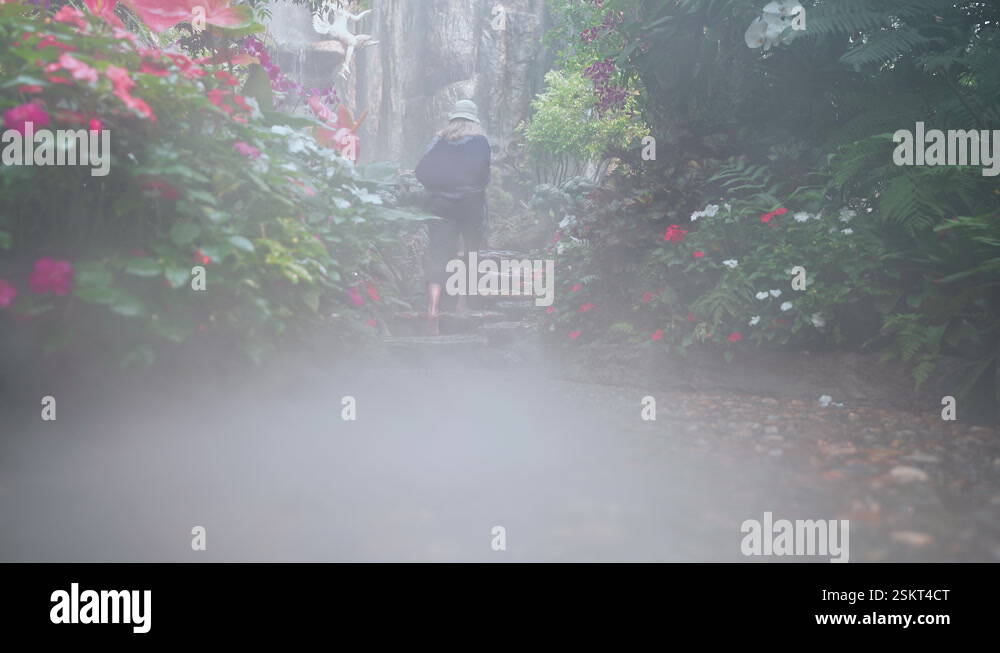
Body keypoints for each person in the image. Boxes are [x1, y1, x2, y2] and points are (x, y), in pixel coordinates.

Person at [414, 99, 491, 335]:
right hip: (470, 205)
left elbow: (421, 171)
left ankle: (433, 309)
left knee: (438, 255)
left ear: (453, 119)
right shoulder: (480, 142)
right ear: (473, 120)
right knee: (470, 252)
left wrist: (437, 191)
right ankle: (461, 304)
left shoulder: (438, 141)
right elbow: (484, 176)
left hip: (441, 206)